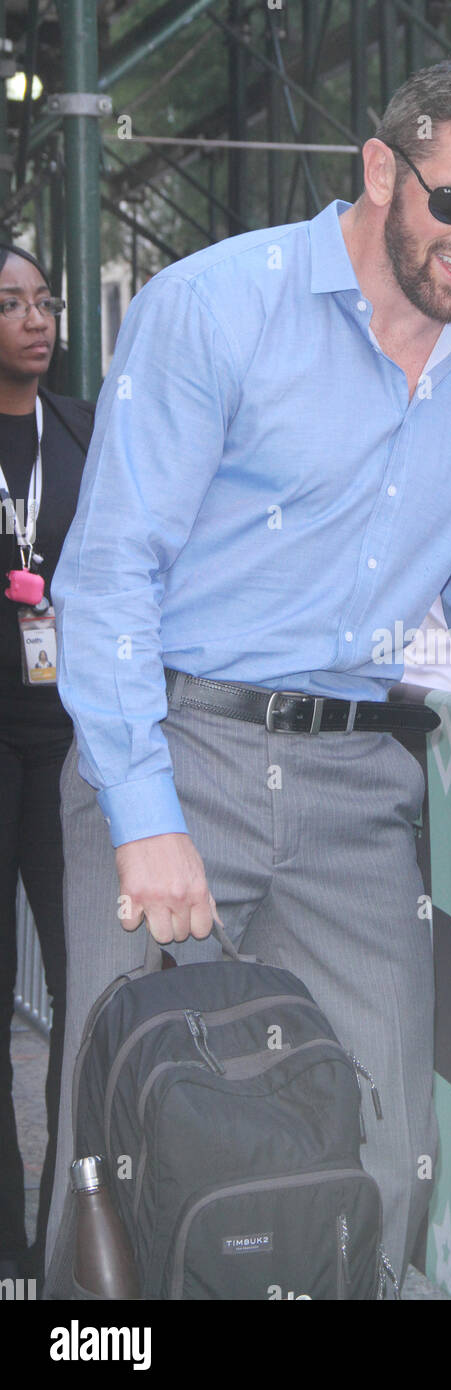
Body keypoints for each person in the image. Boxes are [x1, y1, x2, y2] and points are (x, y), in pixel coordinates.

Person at [45, 59, 451, 1293]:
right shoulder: (216, 305)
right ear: (380, 170)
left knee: (380, 1150)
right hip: (175, 754)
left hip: (354, 787)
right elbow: (108, 578)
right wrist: (145, 819)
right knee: (120, 1141)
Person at [0, 244, 94, 1285]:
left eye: (44, 302)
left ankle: (76, 1213)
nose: (36, 319)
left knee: (82, 975)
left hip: (68, 734)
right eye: (10, 303)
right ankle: (3, 1237)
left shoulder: (82, 429)